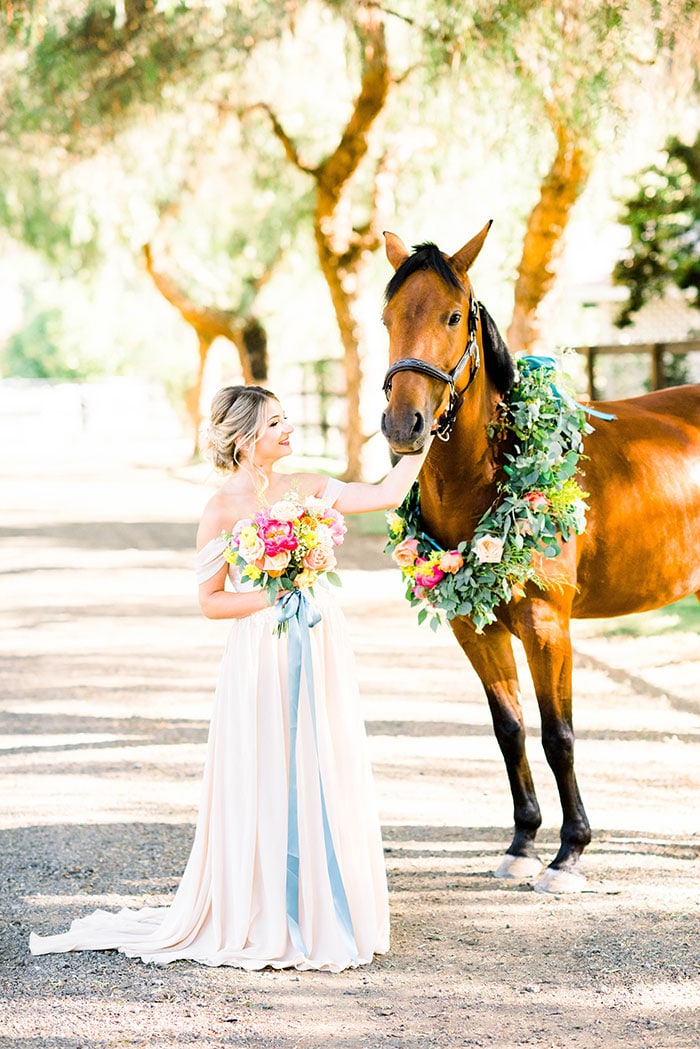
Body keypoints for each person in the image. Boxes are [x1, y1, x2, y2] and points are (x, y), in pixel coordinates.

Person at [29, 384, 432, 973]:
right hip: (259, 652)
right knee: (266, 767)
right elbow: (212, 603)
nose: (289, 430)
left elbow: (390, 492)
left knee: (321, 759)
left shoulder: (308, 487)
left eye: (288, 419)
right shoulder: (221, 509)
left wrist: (428, 434)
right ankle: (263, 907)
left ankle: (323, 900)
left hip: (318, 642)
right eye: (276, 424)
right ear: (246, 441)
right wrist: (274, 592)